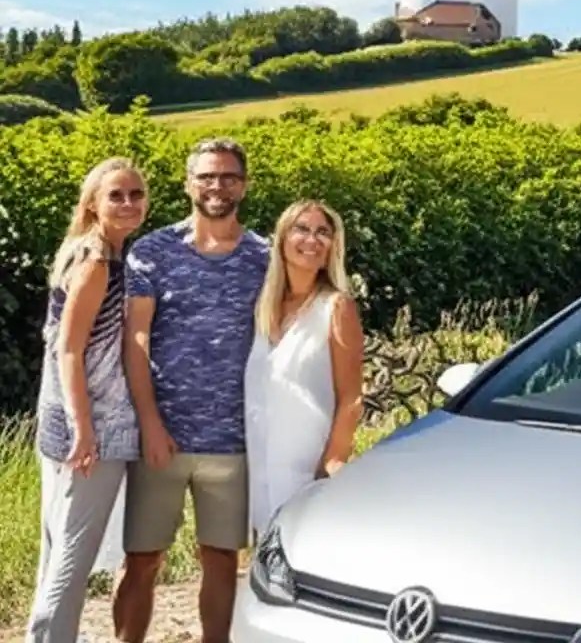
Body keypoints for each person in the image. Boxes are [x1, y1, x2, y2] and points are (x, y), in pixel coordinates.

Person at [111, 138, 269, 643]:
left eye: (227, 177)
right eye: (206, 176)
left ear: (243, 184)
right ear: (188, 184)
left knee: (222, 560)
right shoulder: (152, 252)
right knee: (142, 559)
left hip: (233, 441)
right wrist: (151, 422)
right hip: (162, 438)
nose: (217, 186)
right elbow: (135, 341)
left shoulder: (266, 257)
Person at [25, 157, 149, 643]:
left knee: (56, 550)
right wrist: (85, 429)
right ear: (92, 204)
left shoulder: (91, 253)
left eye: (136, 194)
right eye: (115, 195)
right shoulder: (98, 263)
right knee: (71, 561)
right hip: (93, 429)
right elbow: (69, 349)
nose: (127, 203)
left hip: (62, 422)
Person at [244, 199, 365, 537]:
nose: (311, 240)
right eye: (301, 229)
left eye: (322, 232)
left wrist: (332, 461)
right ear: (282, 238)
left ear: (333, 247)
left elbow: (351, 398)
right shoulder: (263, 307)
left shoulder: (336, 307)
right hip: (259, 459)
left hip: (308, 463)